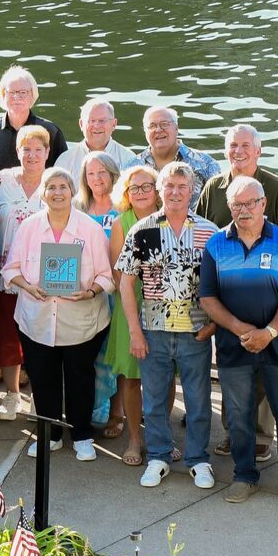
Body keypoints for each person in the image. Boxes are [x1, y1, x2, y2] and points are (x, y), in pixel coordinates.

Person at [197, 176, 278, 507]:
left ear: (263, 204)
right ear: (230, 207)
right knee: (238, 414)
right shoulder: (216, 244)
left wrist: (270, 332)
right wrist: (238, 328)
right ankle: (244, 474)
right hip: (235, 344)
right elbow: (208, 298)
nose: (243, 210)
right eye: (236, 204)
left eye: (250, 203)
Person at [1, 164, 116, 461]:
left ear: (73, 191)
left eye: (63, 186)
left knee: (80, 378)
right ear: (42, 194)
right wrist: (27, 286)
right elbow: (10, 269)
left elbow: (106, 275)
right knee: (43, 378)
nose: (57, 192)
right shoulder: (29, 227)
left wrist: (90, 291)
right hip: (36, 319)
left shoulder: (89, 229)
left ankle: (82, 435)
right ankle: (49, 434)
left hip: (82, 320)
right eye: (50, 187)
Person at [120, 162, 219, 489]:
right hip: (154, 330)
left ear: (192, 190)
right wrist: (135, 331)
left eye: (182, 186)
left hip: (196, 331)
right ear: (160, 190)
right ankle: (159, 456)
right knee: (156, 399)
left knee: (198, 399)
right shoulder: (143, 230)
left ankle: (198, 460)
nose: (175, 192)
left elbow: (222, 283)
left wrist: (214, 326)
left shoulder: (209, 232)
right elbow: (125, 282)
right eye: (169, 186)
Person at [0, 125, 53, 420]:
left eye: (39, 149)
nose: (32, 155)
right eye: (26, 149)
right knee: (7, 335)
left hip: (41, 276)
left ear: (48, 153)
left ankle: (40, 394)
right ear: (17, 151)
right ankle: (13, 394)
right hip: (7, 273)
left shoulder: (54, 182)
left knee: (39, 336)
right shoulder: (2, 180)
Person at [106, 165, 160, 464]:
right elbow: (117, 275)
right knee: (130, 377)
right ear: (126, 193)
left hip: (166, 307)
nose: (140, 192)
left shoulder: (170, 220)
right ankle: (135, 440)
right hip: (130, 304)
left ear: (157, 189)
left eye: (146, 186)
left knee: (163, 376)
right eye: (133, 188)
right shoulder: (121, 223)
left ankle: (159, 438)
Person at [76, 151, 125, 437]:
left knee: (115, 354)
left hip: (116, 293)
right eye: (91, 173)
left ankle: (116, 412)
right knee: (89, 356)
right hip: (86, 292)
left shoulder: (123, 208)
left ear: (112, 175)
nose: (96, 178)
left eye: (102, 172)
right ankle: (90, 409)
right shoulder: (79, 208)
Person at [196, 125, 278, 233]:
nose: (238, 151)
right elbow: (198, 230)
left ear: (258, 152)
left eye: (245, 146)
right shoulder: (212, 188)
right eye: (233, 145)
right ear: (225, 152)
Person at [0, 66, 67, 176]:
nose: (17, 97)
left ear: (33, 95)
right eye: (11, 92)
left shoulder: (50, 131)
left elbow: (64, 175)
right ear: (3, 95)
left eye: (23, 92)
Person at [136, 107, 222, 209]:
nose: (158, 130)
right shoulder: (133, 167)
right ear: (145, 131)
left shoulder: (206, 164)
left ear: (176, 128)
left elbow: (218, 205)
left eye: (164, 124)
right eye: (152, 126)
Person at [60, 99, 137, 180]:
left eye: (102, 121)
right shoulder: (65, 161)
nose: (96, 126)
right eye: (91, 121)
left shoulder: (129, 160)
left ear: (114, 124)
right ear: (81, 124)